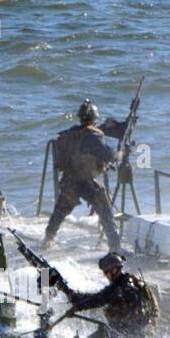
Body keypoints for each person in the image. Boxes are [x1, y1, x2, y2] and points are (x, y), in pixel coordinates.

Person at [42, 101, 123, 253]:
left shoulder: (71, 133)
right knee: (105, 210)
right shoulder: (93, 137)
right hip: (86, 182)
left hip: (69, 180)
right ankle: (115, 246)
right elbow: (109, 155)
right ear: (94, 119)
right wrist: (120, 154)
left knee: (60, 210)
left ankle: (48, 238)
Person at [67, 252, 159, 338]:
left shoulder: (118, 288)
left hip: (123, 335)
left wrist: (77, 307)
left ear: (114, 270)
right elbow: (153, 307)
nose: (106, 275)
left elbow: (98, 299)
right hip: (140, 333)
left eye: (106, 272)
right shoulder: (135, 282)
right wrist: (78, 297)